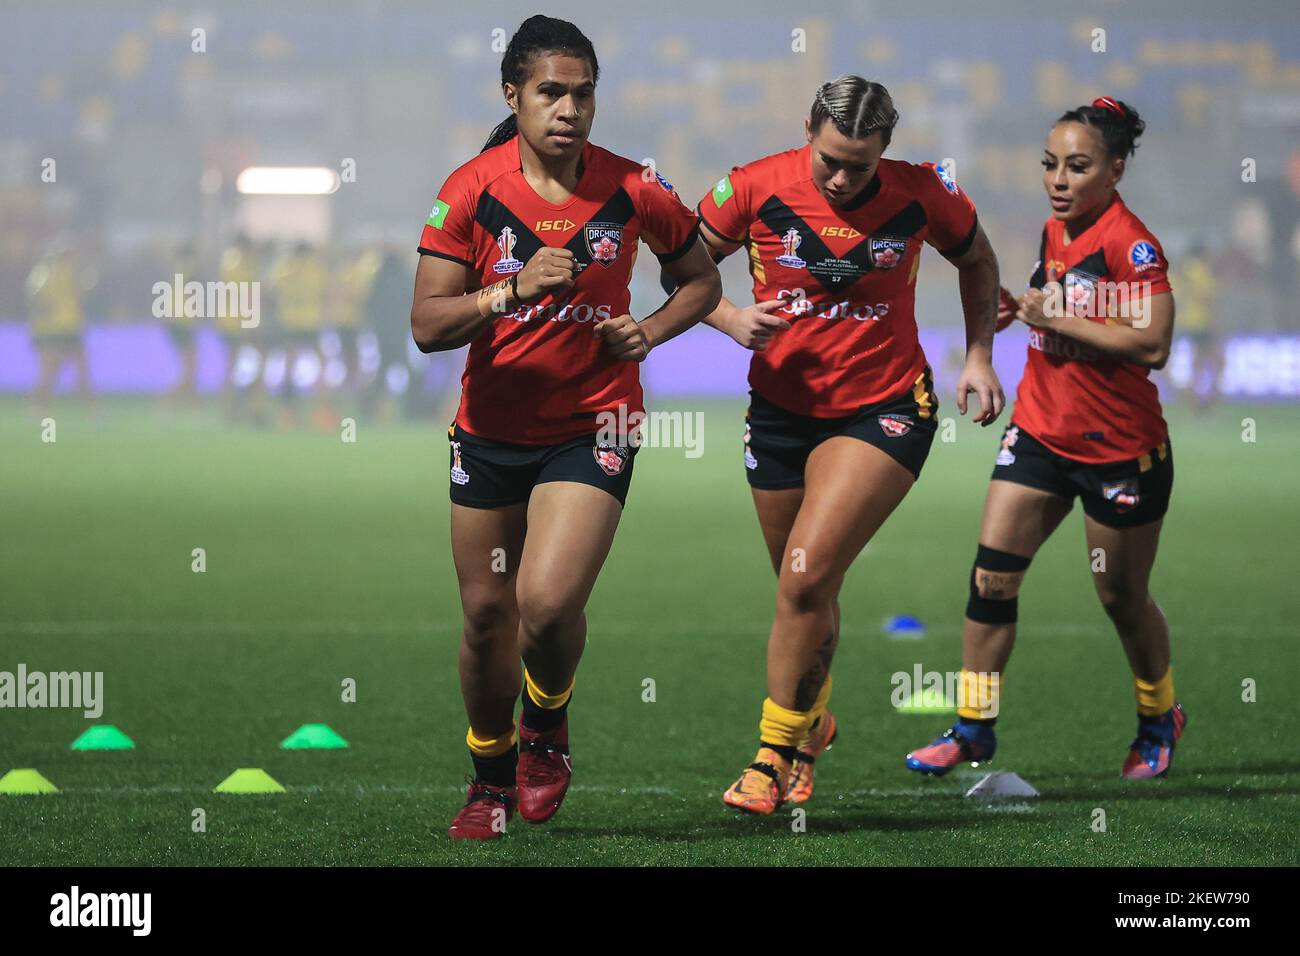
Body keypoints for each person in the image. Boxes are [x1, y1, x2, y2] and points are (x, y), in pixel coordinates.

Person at [410, 15, 721, 840]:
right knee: (486, 617)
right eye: (551, 91)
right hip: (491, 427)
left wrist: (647, 332)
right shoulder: (470, 190)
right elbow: (428, 325)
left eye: (583, 94)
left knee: (544, 607)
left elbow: (700, 278)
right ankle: (488, 779)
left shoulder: (635, 188)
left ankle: (546, 727)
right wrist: (510, 292)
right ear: (512, 95)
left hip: (599, 421)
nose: (570, 108)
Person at [690, 75, 1005, 815]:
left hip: (885, 409)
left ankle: (772, 755)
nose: (839, 177)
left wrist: (980, 356)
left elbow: (980, 261)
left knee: (803, 578)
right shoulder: (750, 186)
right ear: (808, 129)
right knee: (806, 591)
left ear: (885, 151)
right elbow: (684, 265)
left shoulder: (924, 192)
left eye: (857, 166)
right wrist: (731, 317)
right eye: (829, 158)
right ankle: (813, 725)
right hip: (778, 414)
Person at [905, 97, 1183, 781]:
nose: (1059, 180)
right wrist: (1020, 310)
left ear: (1115, 171)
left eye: (1078, 167)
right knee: (991, 579)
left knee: (1121, 597)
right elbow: (1055, 302)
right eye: (1050, 165)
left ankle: (1158, 717)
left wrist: (1055, 314)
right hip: (1039, 432)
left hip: (1121, 450)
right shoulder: (1054, 231)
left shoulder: (1132, 243)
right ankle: (974, 728)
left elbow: (1152, 343)